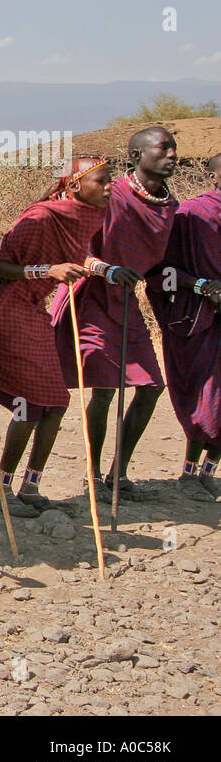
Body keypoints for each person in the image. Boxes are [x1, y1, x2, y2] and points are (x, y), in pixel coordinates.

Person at [0, 156, 123, 516]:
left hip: (35, 311)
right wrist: (47, 270)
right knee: (32, 400)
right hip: (9, 309)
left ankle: (31, 484)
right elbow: (0, 268)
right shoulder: (41, 217)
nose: (109, 187)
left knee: (56, 401)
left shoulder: (84, 216)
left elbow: (77, 256)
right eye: (101, 181)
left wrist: (105, 270)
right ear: (72, 186)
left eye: (110, 181)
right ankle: (1, 488)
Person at [53, 128, 178, 502]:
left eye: (174, 148)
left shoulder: (170, 207)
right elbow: (73, 248)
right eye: (164, 148)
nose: (172, 154)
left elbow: (159, 264)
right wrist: (107, 270)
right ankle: (93, 475)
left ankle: (119, 471)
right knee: (106, 388)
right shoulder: (110, 193)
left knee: (152, 387)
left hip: (125, 300)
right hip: (90, 295)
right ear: (138, 155)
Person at [147, 152, 221, 501]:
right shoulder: (191, 215)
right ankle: (190, 472)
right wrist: (201, 286)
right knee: (204, 396)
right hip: (199, 321)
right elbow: (160, 272)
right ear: (215, 178)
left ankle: (209, 471)